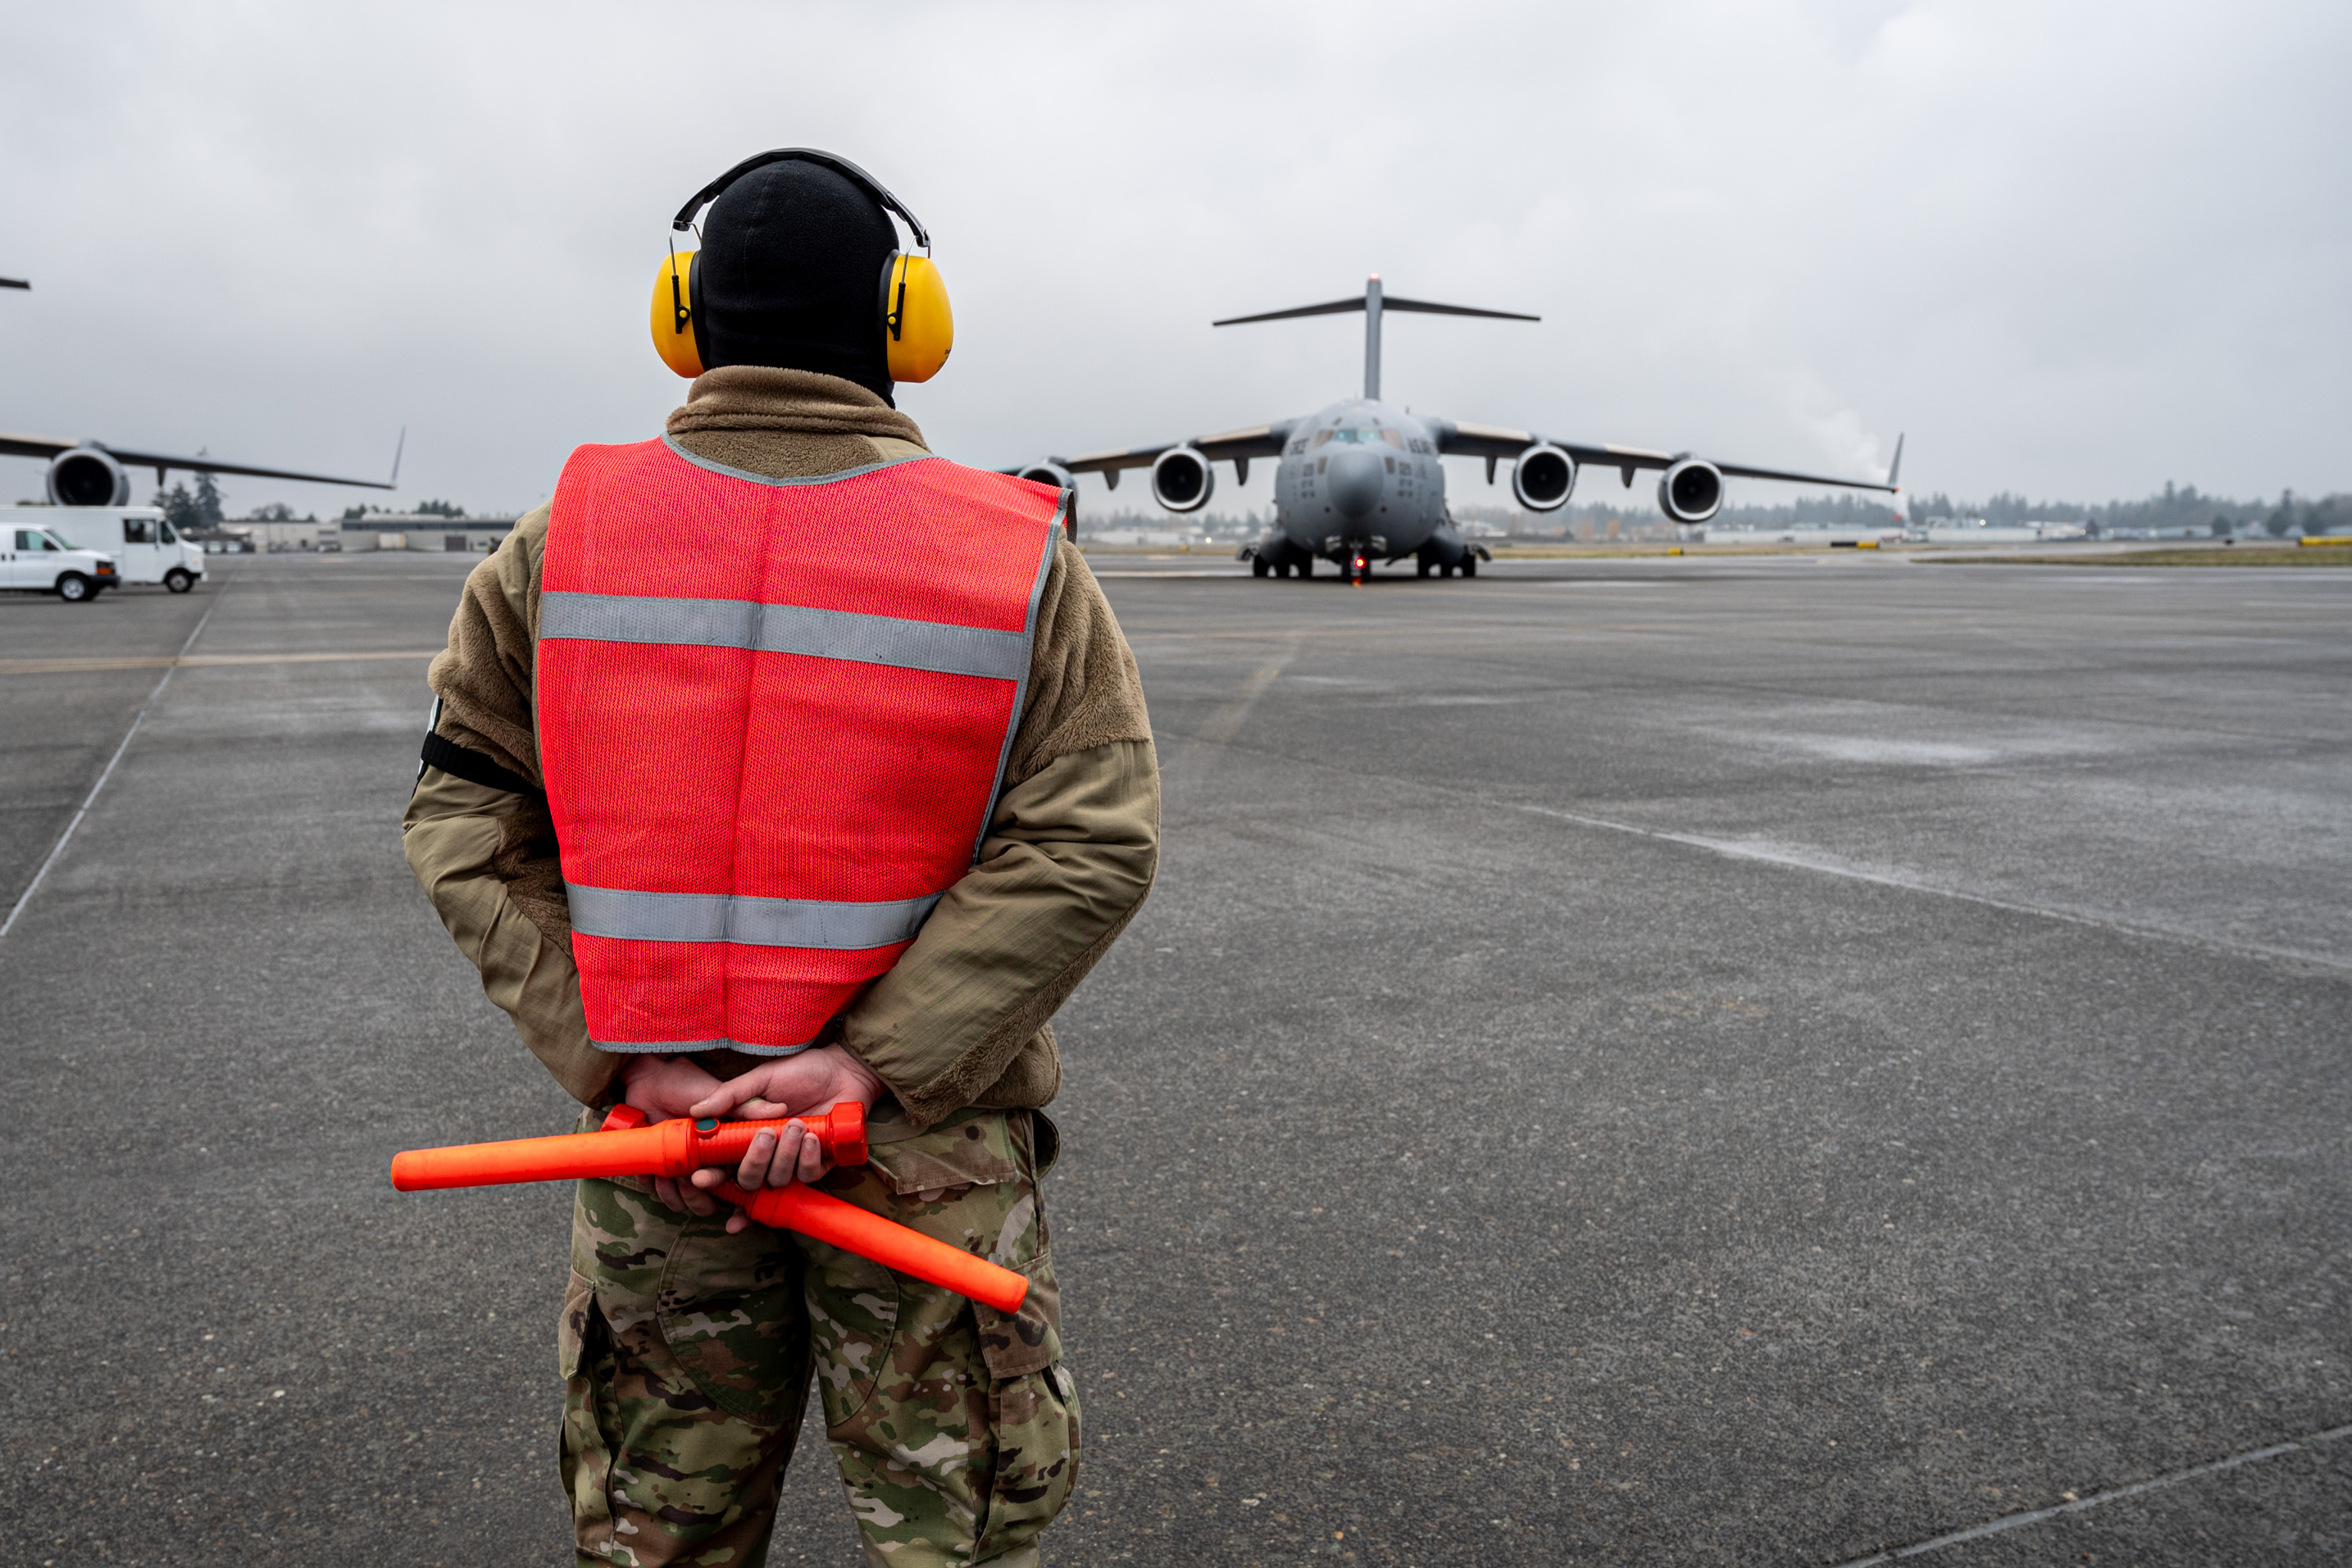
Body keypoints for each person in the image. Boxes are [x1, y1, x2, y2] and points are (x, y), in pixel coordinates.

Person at [401, 148, 1160, 1568]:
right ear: (903, 324)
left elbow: (460, 819)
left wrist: (625, 1058)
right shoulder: (1015, 556)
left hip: (658, 1139)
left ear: (682, 318)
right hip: (918, 1146)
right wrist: (868, 1063)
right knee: (959, 1537)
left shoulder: (560, 544)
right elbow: (1091, 838)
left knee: (658, 1535)